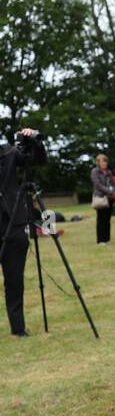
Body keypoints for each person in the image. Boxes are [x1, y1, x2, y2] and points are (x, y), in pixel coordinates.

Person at [0, 127, 47, 336]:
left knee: (14, 279)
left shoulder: (8, 152)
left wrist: (34, 141)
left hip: (13, 224)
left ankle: (17, 327)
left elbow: (36, 160)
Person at [90, 154, 115, 246]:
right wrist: (108, 191)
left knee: (107, 219)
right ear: (98, 163)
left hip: (109, 198)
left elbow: (113, 183)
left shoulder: (109, 172)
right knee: (101, 219)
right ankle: (100, 240)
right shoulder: (95, 172)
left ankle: (106, 238)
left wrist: (113, 191)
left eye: (105, 161)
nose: (104, 163)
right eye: (101, 161)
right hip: (100, 197)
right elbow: (97, 184)